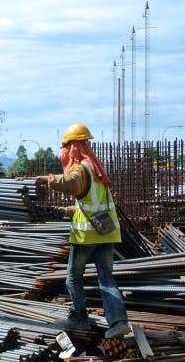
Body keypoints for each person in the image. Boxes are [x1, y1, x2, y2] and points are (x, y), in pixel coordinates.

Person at [38, 123, 131, 340]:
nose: (64, 152)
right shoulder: (96, 168)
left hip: (87, 236)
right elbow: (90, 204)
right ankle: (119, 322)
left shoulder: (81, 168)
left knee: (73, 277)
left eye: (66, 147)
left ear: (74, 146)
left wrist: (44, 180)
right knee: (106, 277)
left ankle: (79, 315)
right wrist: (64, 211)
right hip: (106, 232)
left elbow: (70, 183)